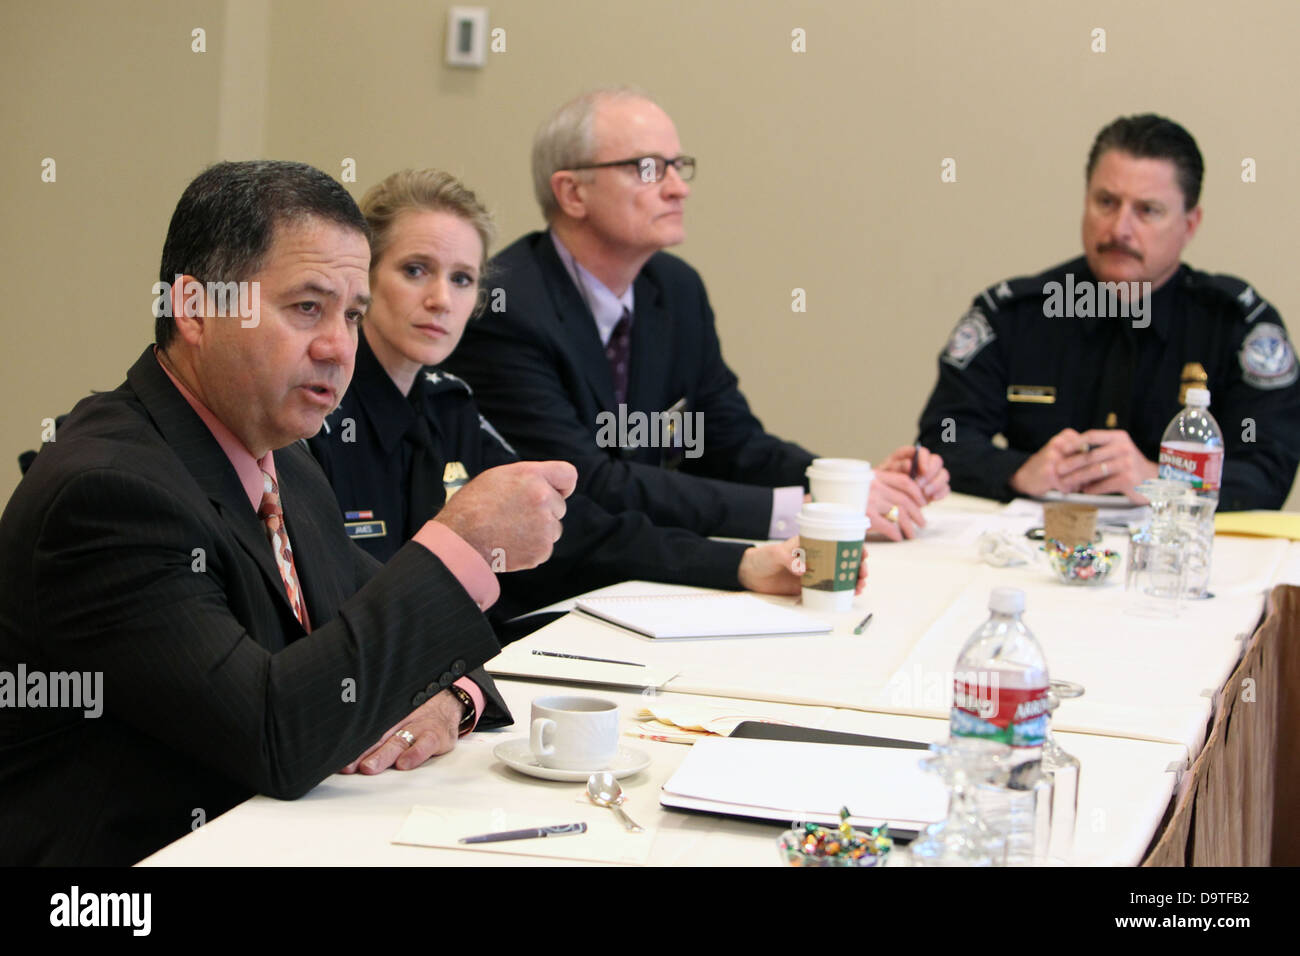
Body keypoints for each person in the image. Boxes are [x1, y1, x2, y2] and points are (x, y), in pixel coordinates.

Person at [0, 160, 575, 865]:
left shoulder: (284, 457)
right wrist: (460, 546)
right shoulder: (107, 496)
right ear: (194, 308)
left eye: (353, 314)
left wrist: (450, 696)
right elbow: (274, 736)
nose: (339, 349)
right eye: (307, 308)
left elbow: (384, 625)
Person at [307, 169, 833, 635]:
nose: (442, 299)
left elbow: (576, 529)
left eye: (463, 278)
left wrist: (738, 564)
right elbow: (340, 613)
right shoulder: (318, 418)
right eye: (416, 270)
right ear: (367, 279)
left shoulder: (449, 405)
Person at [444, 88, 949, 543]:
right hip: (543, 587)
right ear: (572, 193)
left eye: (677, 166)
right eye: (647, 169)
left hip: (647, 569)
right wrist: (803, 510)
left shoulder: (675, 288)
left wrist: (850, 482)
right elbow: (588, 481)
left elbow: (727, 438)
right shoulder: (505, 306)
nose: (677, 188)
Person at [918, 114, 1300, 510]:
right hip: (1035, 551)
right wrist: (1018, 471)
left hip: (1181, 557)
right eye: (1106, 202)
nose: (1119, 229)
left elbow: (1268, 469)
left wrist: (1160, 480)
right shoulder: (1016, 315)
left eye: (1147, 210)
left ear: (1190, 225)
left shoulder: (1234, 325)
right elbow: (943, 437)